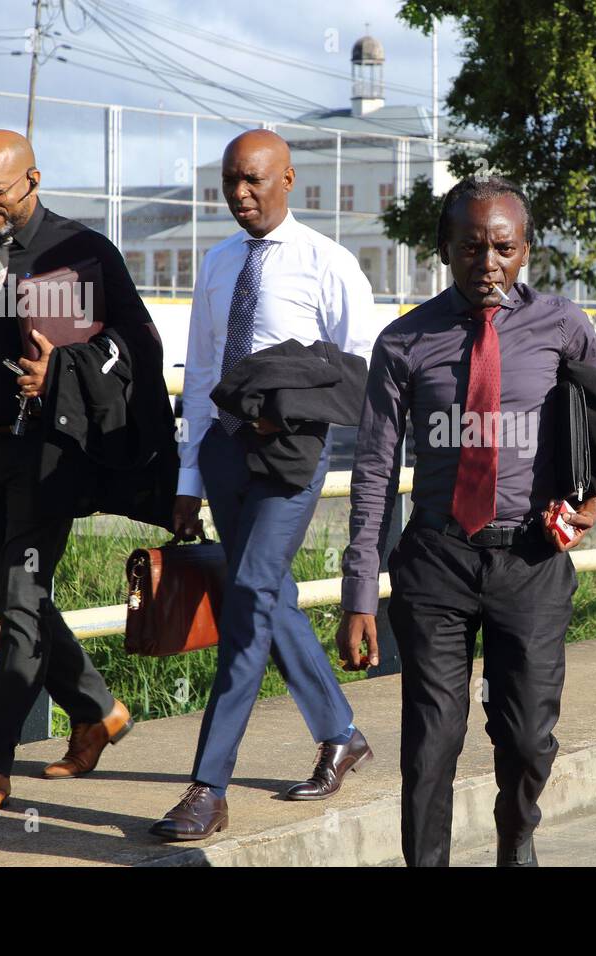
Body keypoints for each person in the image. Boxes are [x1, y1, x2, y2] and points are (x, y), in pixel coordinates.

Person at [337, 176, 596, 867]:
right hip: (436, 558)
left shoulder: (564, 329)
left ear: (525, 250)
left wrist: (587, 509)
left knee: (527, 739)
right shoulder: (404, 341)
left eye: (502, 247)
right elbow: (374, 470)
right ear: (445, 250)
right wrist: (358, 595)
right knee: (432, 743)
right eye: (471, 248)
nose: (487, 263)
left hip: (531, 560)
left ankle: (514, 839)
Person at [0, 130, 158, 819]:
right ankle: (98, 711)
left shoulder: (81, 253)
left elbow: (134, 345)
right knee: (8, 594)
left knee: (19, 604)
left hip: (52, 454)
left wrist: (64, 373)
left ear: (33, 178)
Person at [150, 130, 380, 841]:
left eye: (253, 180)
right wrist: (188, 475)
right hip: (222, 454)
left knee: (248, 597)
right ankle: (341, 732)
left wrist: (297, 411)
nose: (239, 194)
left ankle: (207, 786)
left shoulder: (328, 264)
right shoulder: (217, 263)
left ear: (287, 179)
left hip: (289, 459)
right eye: (229, 181)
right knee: (266, 590)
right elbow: (198, 370)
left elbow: (362, 370)